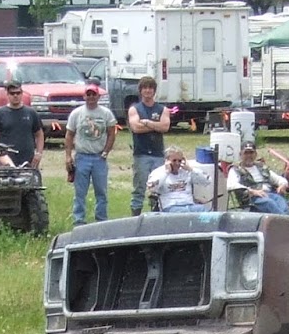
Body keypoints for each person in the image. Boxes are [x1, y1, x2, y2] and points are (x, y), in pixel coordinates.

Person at [64, 83, 118, 224]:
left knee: (101, 192)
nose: (91, 97)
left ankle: (101, 220)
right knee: (80, 193)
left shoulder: (106, 114)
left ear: (98, 96)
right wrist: (68, 156)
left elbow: (112, 133)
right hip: (82, 157)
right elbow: (69, 135)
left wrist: (106, 152)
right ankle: (79, 221)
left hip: (99, 157)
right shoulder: (76, 114)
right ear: (84, 96)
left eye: (94, 94)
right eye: (88, 94)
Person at [126, 75, 171, 214]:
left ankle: (156, 214)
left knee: (158, 187)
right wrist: (155, 126)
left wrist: (147, 122)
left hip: (158, 154)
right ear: (140, 91)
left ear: (154, 91)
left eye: (150, 88)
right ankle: (135, 218)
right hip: (141, 154)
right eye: (145, 88)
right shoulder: (134, 109)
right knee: (139, 189)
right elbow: (136, 128)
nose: (147, 91)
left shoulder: (162, 109)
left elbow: (165, 127)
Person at [228, 143, 289, 214]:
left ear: (255, 154)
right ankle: (286, 223)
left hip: (269, 194)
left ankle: (287, 221)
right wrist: (252, 191)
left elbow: (279, 179)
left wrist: (282, 185)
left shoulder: (261, 167)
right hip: (252, 199)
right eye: (246, 153)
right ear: (240, 154)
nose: (249, 155)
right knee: (269, 203)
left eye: (251, 152)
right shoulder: (235, 169)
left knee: (282, 203)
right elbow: (231, 185)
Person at [0, 83, 44, 168]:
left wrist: (39, 153)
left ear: (22, 94)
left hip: (28, 160)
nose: (15, 96)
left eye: (18, 93)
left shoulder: (31, 113)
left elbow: (39, 134)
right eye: (12, 93)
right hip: (6, 161)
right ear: (7, 94)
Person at [145, 147, 210, 213]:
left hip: (189, 205)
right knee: (183, 213)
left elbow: (207, 181)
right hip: (171, 207)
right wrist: (166, 172)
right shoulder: (159, 172)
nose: (177, 163)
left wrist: (190, 169)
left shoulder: (186, 171)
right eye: (174, 160)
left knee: (203, 211)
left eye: (179, 160)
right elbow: (151, 188)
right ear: (167, 160)